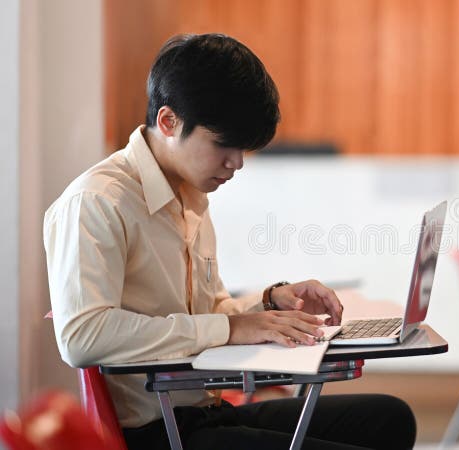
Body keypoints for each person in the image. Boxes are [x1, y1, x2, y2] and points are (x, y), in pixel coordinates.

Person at [43, 33, 416, 450]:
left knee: (389, 418)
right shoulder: (97, 202)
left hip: (204, 413)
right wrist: (230, 327)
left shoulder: (191, 196)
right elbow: (81, 336)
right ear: (168, 122)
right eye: (224, 144)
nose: (236, 163)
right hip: (159, 432)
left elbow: (214, 312)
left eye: (243, 149)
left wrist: (271, 304)